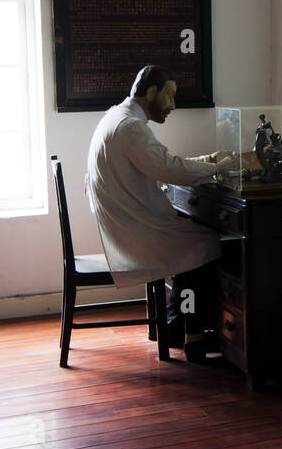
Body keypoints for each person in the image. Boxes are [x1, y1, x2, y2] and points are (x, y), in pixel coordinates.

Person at [84, 65, 235, 361]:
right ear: (152, 92)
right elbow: (166, 167)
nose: (173, 106)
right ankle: (193, 336)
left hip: (124, 225)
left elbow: (159, 162)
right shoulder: (131, 127)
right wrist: (216, 168)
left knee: (191, 243)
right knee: (204, 244)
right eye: (170, 96)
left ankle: (176, 327)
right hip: (134, 232)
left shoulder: (116, 116)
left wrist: (204, 161)